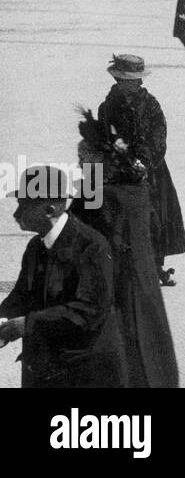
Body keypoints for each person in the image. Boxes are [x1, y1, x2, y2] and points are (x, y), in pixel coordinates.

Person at [73, 95, 180, 388]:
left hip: (115, 284)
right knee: (149, 343)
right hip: (143, 283)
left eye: (82, 160)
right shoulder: (136, 190)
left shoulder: (99, 191)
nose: (80, 165)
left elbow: (80, 226)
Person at [0, 165, 128, 388]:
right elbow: (22, 295)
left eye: (24, 205)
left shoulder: (92, 246)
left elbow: (90, 311)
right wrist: (3, 319)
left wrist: (28, 325)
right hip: (44, 364)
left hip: (84, 371)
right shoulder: (36, 246)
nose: (16, 214)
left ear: (50, 209)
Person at [95, 54, 185, 289]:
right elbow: (106, 139)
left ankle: (155, 266)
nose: (138, 83)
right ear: (119, 80)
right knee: (122, 221)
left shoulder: (150, 104)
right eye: (132, 79)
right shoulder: (107, 107)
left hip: (151, 171)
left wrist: (144, 162)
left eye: (139, 79)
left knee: (156, 219)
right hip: (121, 173)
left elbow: (159, 135)